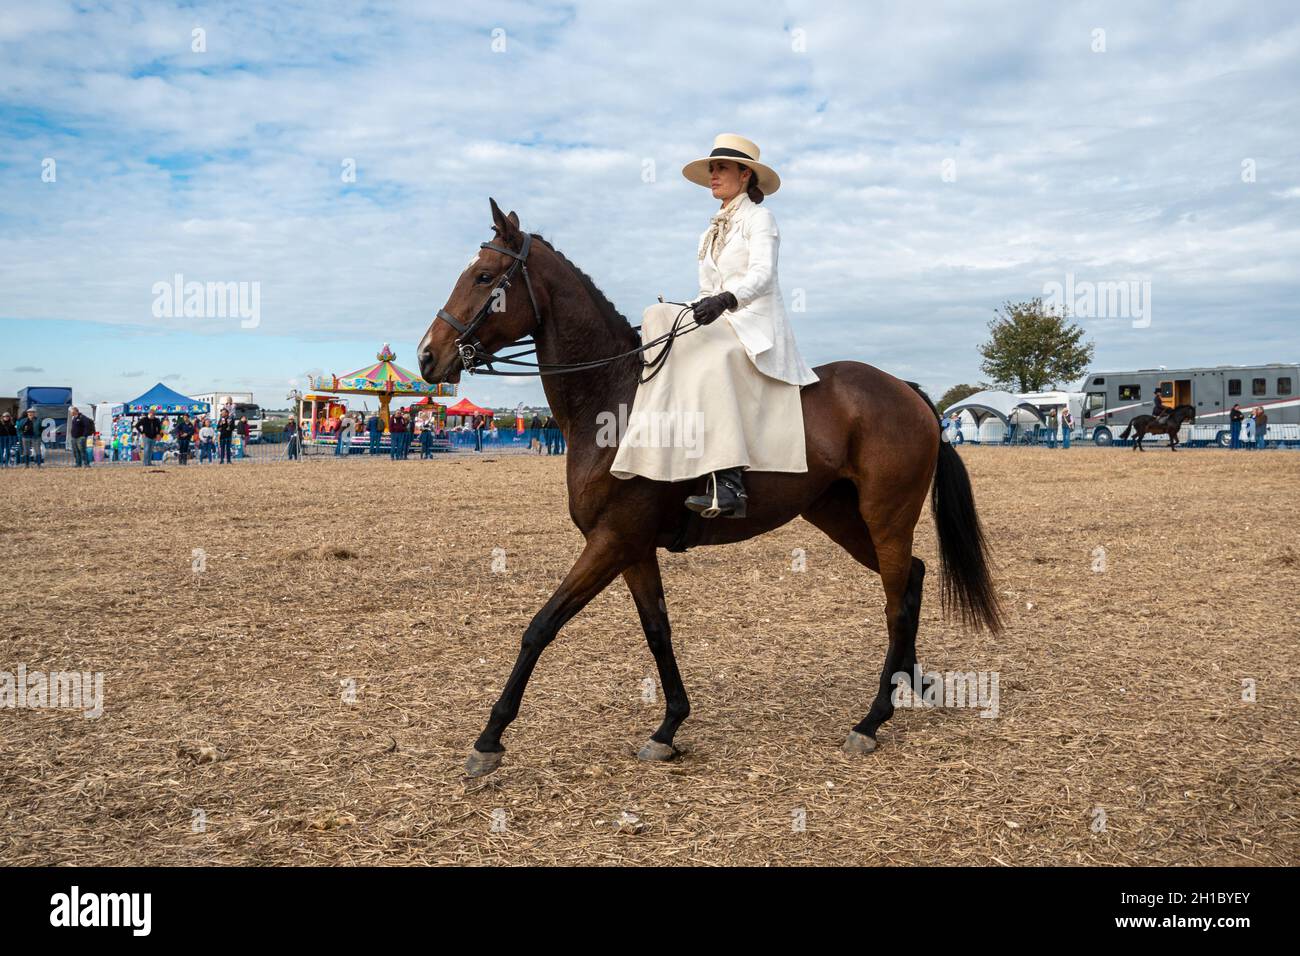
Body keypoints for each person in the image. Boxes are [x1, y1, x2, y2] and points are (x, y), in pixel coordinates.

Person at [609, 133, 819, 519]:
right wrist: (683, 310)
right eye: (711, 168)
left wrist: (726, 300)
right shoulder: (709, 232)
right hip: (722, 316)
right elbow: (707, 288)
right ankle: (655, 444)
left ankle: (729, 482)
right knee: (655, 317)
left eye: (721, 168)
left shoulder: (760, 218)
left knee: (712, 360)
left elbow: (763, 274)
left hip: (752, 321)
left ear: (744, 175)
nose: (713, 175)